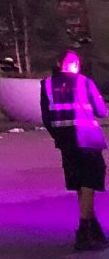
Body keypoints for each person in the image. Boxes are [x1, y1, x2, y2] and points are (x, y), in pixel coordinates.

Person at [42, 50, 109, 250]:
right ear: (76, 64)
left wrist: (59, 138)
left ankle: (93, 225)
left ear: (58, 62)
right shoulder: (84, 82)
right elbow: (102, 111)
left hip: (66, 141)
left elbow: (47, 118)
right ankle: (85, 229)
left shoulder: (46, 85)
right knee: (89, 181)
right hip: (87, 138)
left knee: (79, 182)